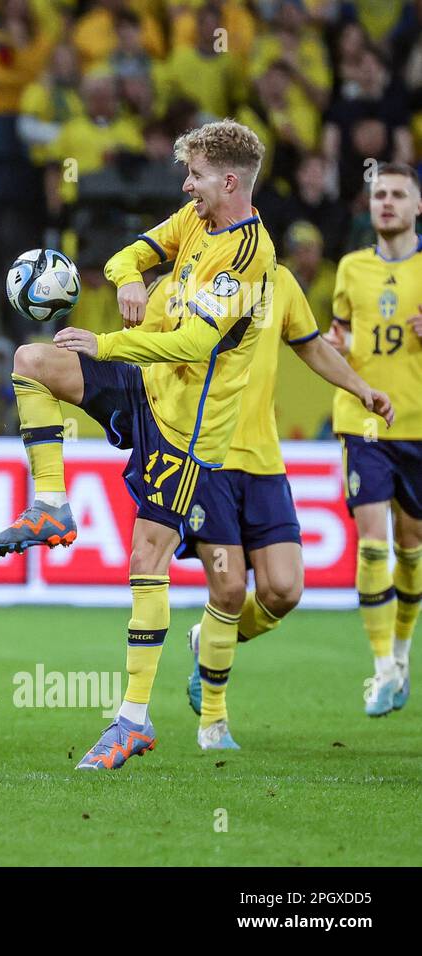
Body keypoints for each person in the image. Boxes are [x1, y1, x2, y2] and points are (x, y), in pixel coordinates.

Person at [0, 120, 281, 770]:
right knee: (31, 360)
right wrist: (126, 279)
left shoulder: (250, 259)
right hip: (142, 383)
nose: (186, 184)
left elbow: (195, 343)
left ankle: (133, 720)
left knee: (148, 555)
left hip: (185, 429)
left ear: (229, 181)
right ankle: (53, 504)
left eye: (196, 175)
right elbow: (131, 253)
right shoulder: (196, 220)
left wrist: (107, 344)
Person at [160, 264, 392, 747]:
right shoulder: (183, 279)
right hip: (206, 460)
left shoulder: (279, 282)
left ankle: (210, 642)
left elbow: (310, 344)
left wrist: (360, 388)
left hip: (264, 463)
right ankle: (214, 723)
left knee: (284, 589)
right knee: (226, 587)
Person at [325, 162, 422, 716]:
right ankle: (382, 668)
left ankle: (403, 656)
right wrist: (340, 344)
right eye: (379, 193)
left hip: (418, 423)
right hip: (363, 420)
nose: (386, 202)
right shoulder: (351, 268)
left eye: (398, 194)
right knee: (372, 542)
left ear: (416, 207)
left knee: (410, 551)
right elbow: (342, 331)